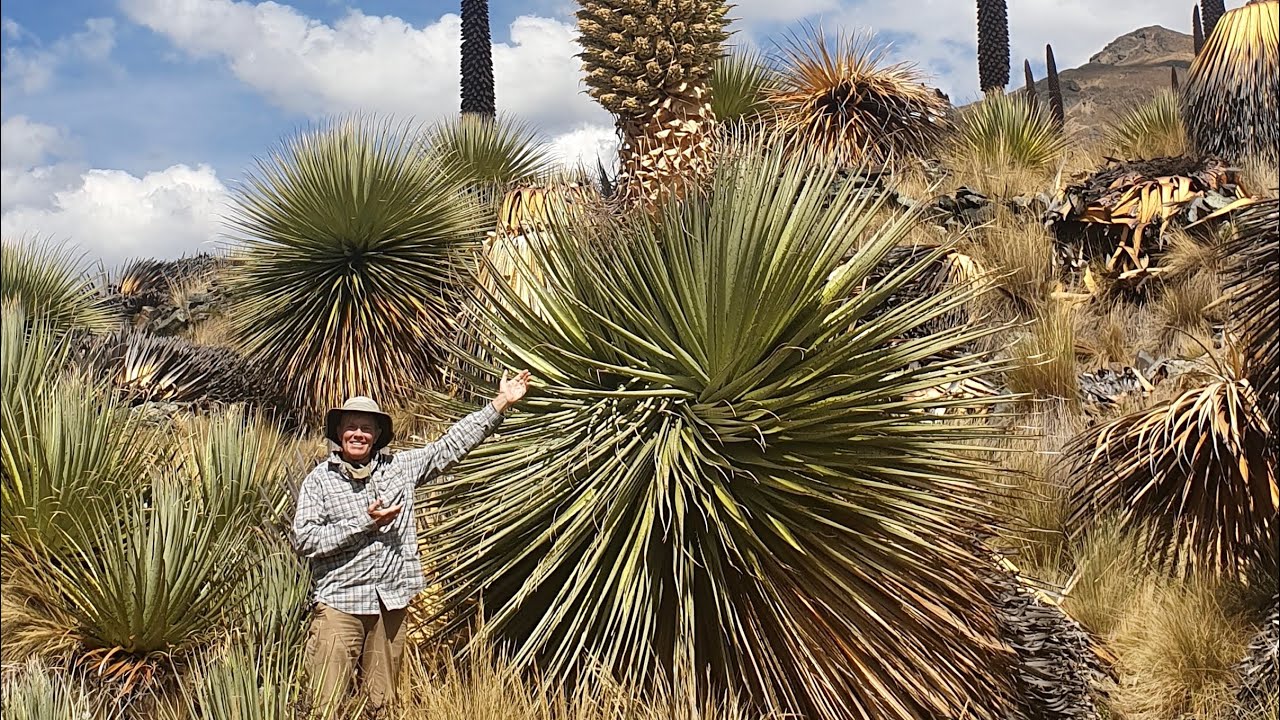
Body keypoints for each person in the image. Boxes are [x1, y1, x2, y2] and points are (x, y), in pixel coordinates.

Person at [292, 369, 531, 714]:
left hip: (390, 604)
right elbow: (306, 540)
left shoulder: (400, 468)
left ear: (377, 435)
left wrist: (499, 403)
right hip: (340, 607)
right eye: (351, 426)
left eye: (366, 428)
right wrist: (364, 522)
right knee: (324, 705)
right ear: (339, 432)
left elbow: (449, 446)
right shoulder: (320, 481)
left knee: (382, 703)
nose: (358, 434)